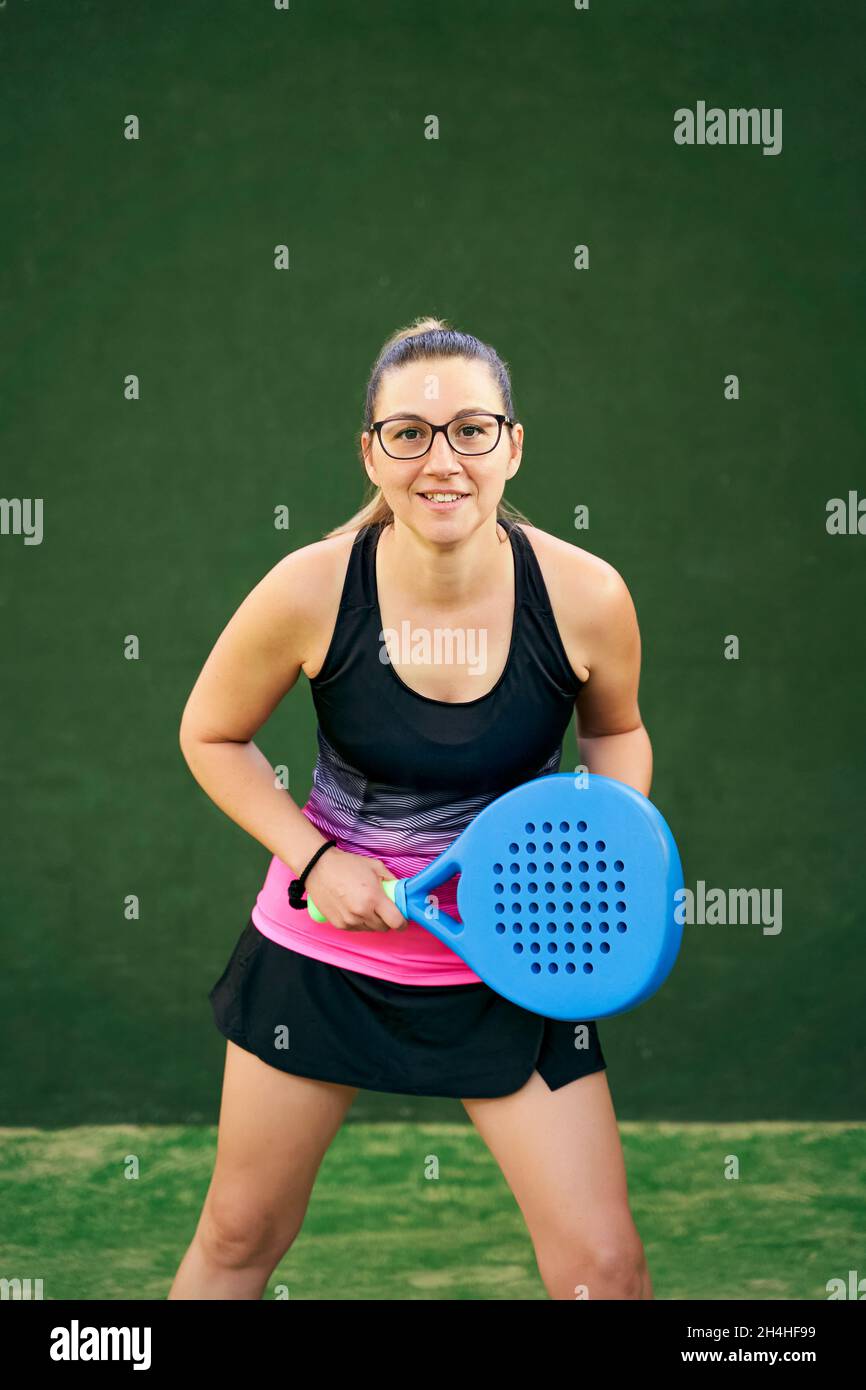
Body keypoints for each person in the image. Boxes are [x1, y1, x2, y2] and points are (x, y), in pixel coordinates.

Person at [169, 316, 654, 1300]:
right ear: (371, 451)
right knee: (235, 1233)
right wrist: (315, 862)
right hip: (322, 961)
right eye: (409, 433)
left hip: (511, 960)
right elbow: (209, 736)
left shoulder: (586, 594)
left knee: (602, 1270)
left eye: (471, 430)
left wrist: (592, 839)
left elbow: (615, 732)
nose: (443, 460)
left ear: (512, 444)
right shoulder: (308, 587)